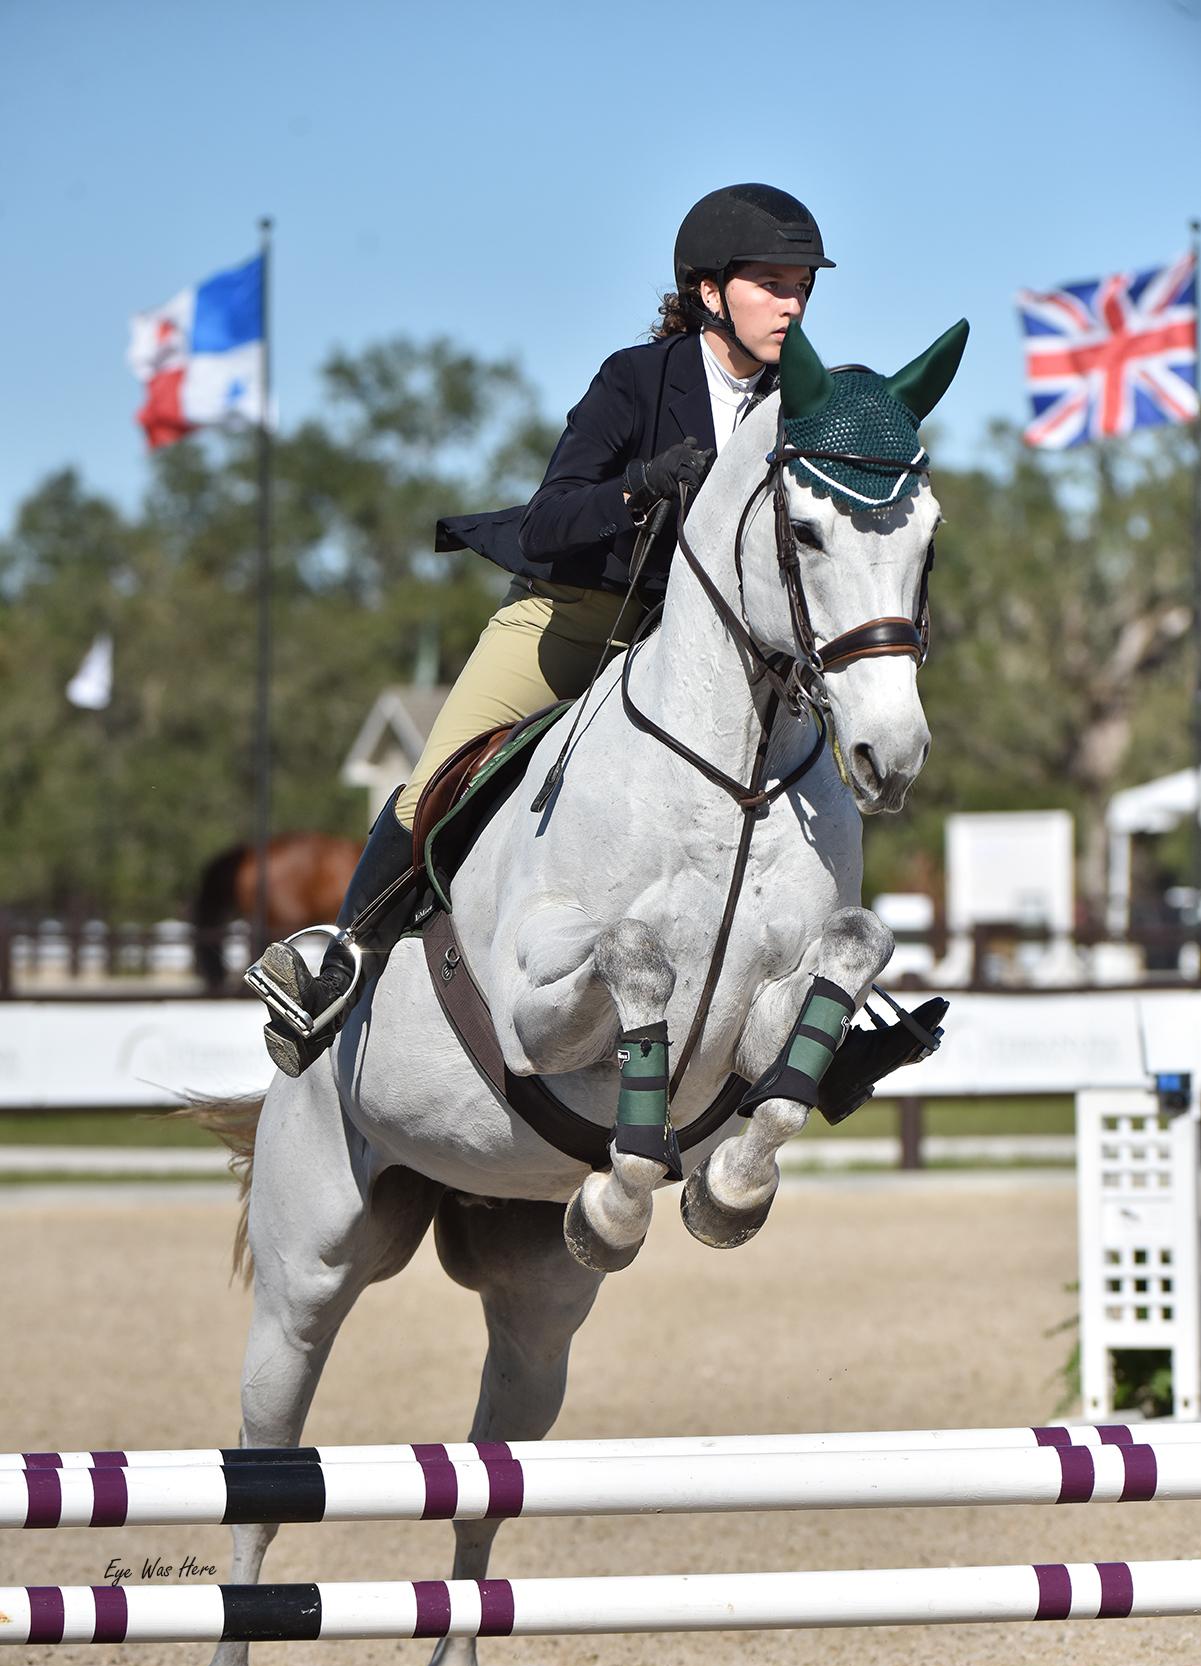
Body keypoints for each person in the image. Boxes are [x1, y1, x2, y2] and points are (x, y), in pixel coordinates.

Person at [252, 183, 834, 1077]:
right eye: (772, 284)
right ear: (710, 292)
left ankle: (824, 1017)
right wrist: (640, 484)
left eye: (802, 286)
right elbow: (549, 520)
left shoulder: (802, 404)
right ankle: (345, 962)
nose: (792, 304)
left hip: (699, 657)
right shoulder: (637, 380)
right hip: (572, 620)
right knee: (436, 779)